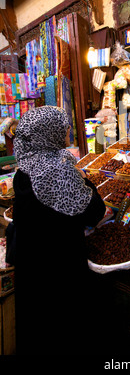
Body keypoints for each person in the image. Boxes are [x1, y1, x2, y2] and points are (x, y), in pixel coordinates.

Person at [9, 105, 106, 354]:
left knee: (40, 333)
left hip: (32, 268)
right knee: (65, 333)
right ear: (48, 132)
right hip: (59, 270)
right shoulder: (57, 170)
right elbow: (94, 212)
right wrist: (83, 179)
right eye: (63, 126)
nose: (68, 129)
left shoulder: (25, 167)